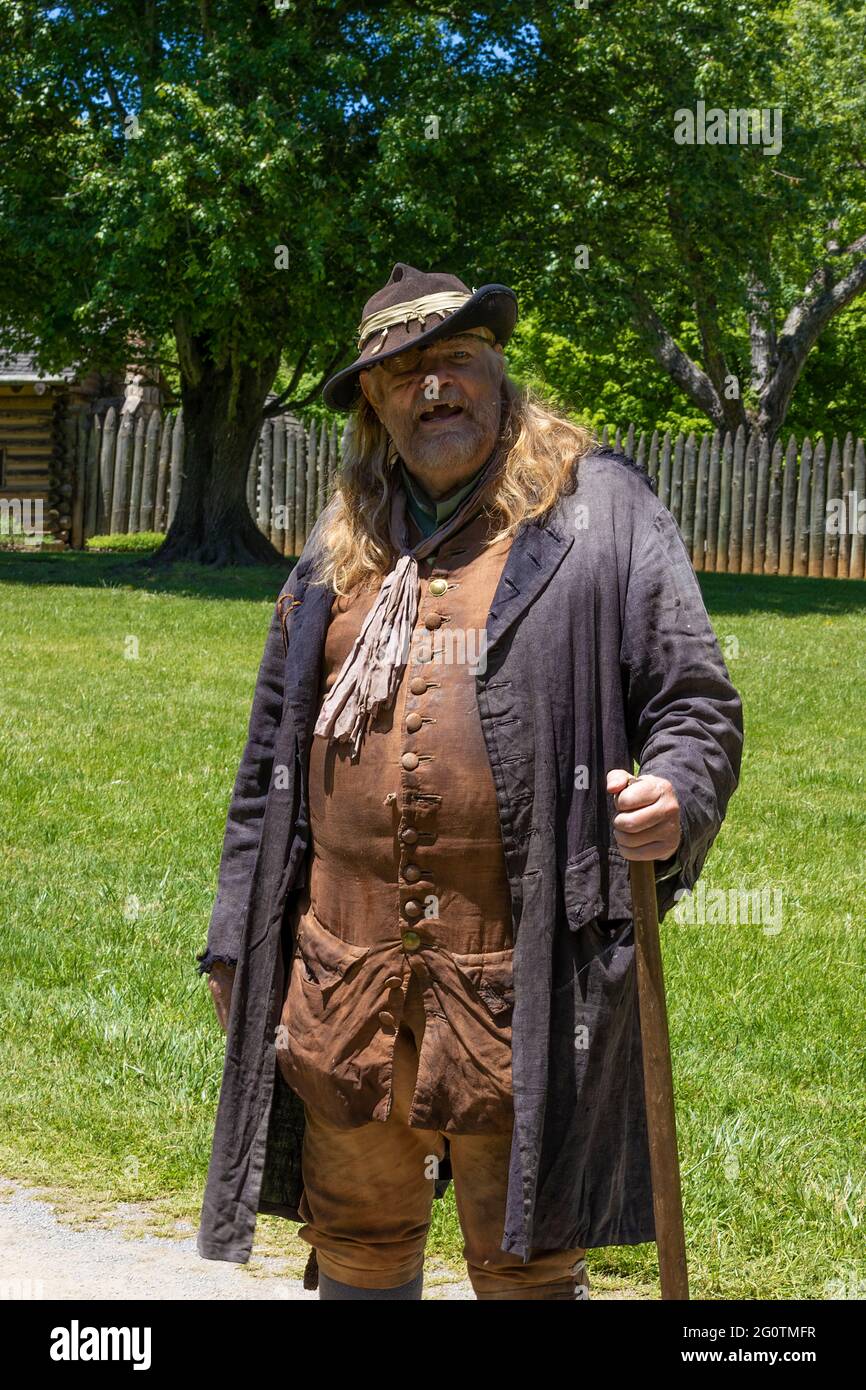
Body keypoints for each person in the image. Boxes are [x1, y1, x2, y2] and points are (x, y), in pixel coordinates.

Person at [196, 262, 744, 1300]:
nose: (430, 389)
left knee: (523, 1253)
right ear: (373, 401)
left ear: (498, 373)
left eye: (451, 362)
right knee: (355, 1233)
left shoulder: (598, 511)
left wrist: (676, 789)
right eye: (402, 374)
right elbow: (269, 754)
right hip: (341, 975)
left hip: (518, 973)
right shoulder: (339, 539)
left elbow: (692, 696)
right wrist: (238, 932)